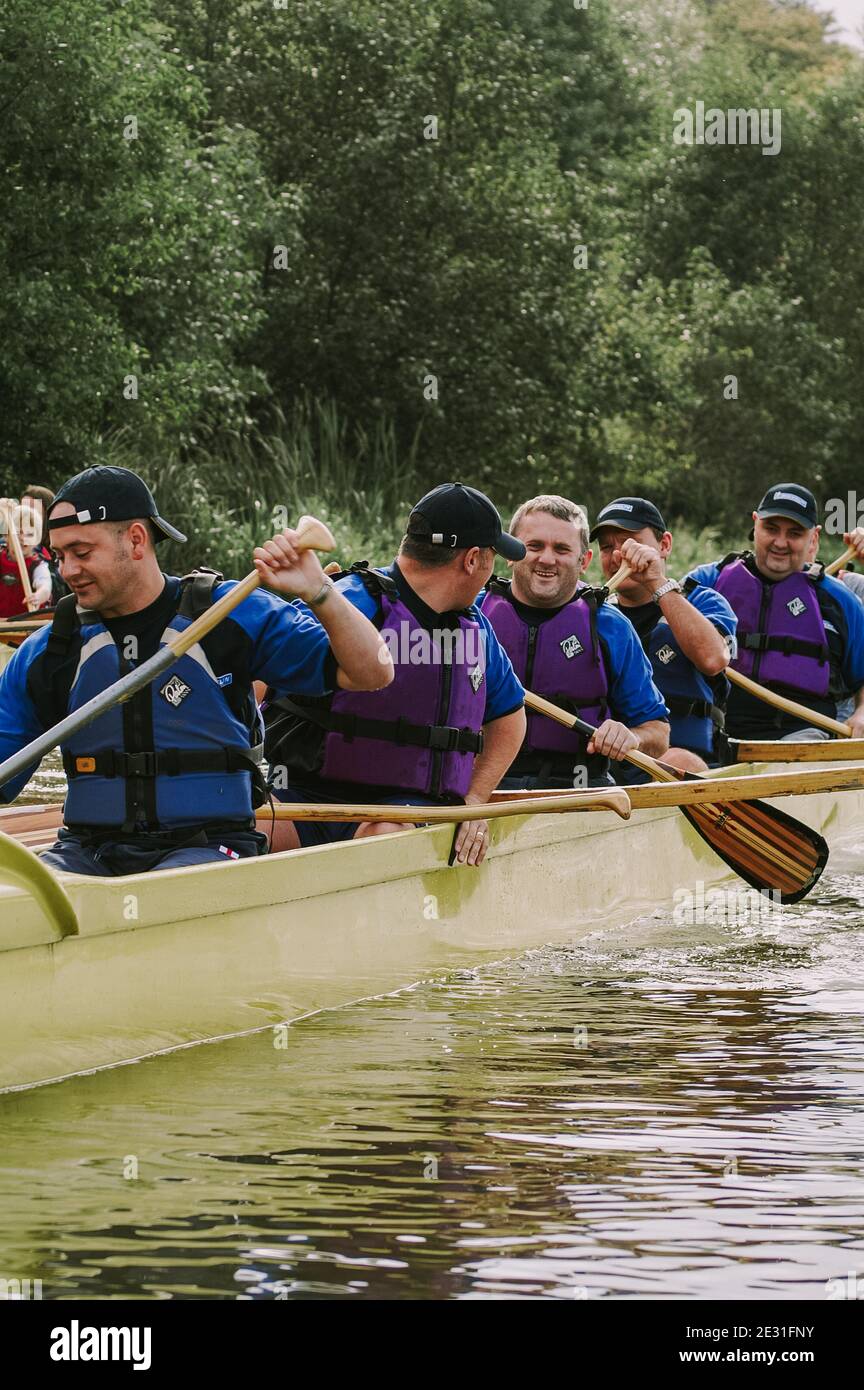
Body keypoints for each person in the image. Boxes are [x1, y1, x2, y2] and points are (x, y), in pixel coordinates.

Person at [0, 465, 391, 875]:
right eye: (60, 556)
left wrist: (319, 591)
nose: (68, 570)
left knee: (162, 890)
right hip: (87, 851)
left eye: (82, 553)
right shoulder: (51, 651)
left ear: (136, 539)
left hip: (211, 845)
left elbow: (373, 673)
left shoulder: (225, 614)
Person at [262, 483, 527, 866]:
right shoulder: (349, 601)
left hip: (406, 806)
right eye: (492, 556)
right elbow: (254, 684)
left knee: (383, 836)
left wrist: (471, 802)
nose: (492, 570)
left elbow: (509, 720)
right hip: (306, 798)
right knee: (252, 833)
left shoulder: (477, 630)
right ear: (472, 560)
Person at [479, 494, 669, 788]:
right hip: (481, 787)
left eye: (562, 549)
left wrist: (632, 737)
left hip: (578, 789)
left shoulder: (610, 626)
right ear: (510, 552)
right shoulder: (472, 615)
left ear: (584, 561)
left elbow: (658, 733)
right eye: (534, 546)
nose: (547, 559)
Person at [687, 483, 864, 741]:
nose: (780, 543)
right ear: (755, 524)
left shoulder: (839, 600)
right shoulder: (706, 581)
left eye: (794, 533)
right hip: (714, 730)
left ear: (813, 538)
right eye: (771, 529)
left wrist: (861, 713)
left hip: (801, 734)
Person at [591, 497, 736, 776]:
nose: (619, 555)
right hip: (610, 765)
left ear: (664, 545)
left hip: (687, 764)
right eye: (607, 547)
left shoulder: (704, 601)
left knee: (677, 760)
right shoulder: (594, 614)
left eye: (630, 542)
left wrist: (657, 582)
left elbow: (714, 658)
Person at [0, 500, 53, 616]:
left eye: (30, 534)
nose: (24, 538)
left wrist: (38, 596)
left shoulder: (37, 565)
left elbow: (45, 586)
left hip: (25, 624)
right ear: (6, 536)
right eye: (19, 532)